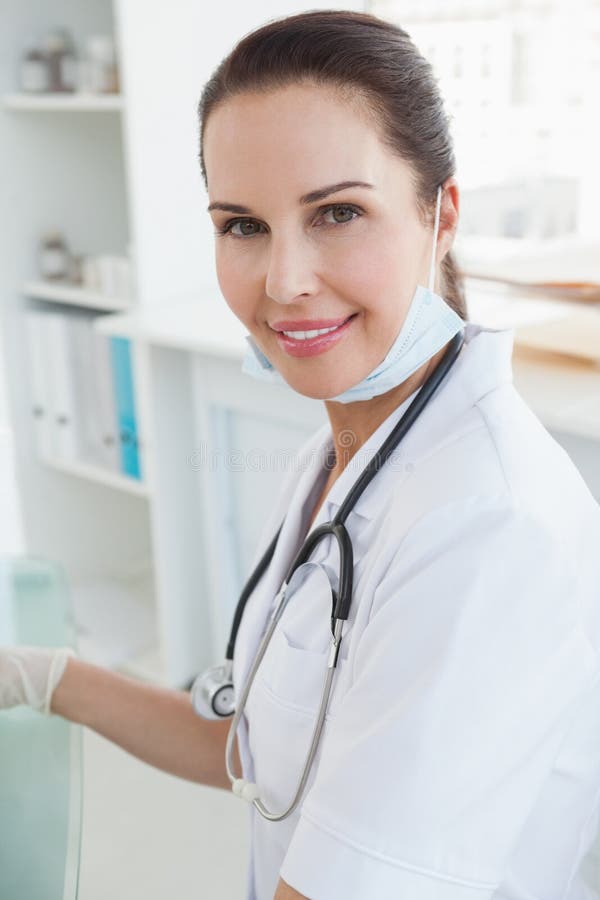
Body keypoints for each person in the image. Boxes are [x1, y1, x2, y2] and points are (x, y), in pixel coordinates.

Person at [2, 9, 600, 900]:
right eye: (241, 225)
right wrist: (40, 676)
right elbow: (258, 754)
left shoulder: (487, 527)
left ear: (441, 216)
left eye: (338, 213)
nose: (283, 282)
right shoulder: (349, 450)